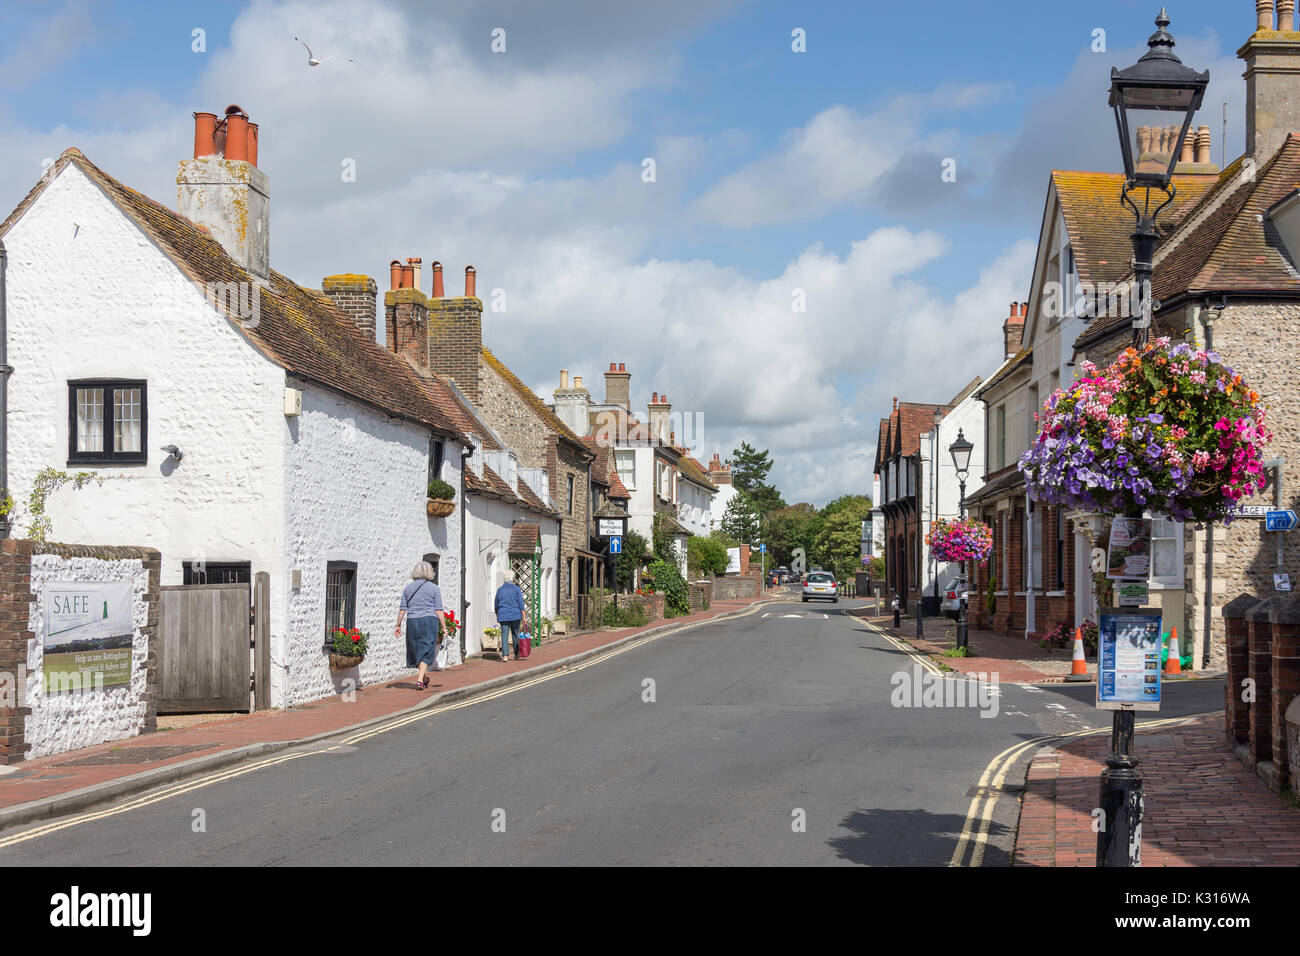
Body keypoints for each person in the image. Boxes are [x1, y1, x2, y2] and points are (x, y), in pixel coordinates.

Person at [395, 561, 446, 689]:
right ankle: (419, 680)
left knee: (417, 648)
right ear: (430, 572)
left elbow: (402, 609)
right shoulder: (434, 588)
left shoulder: (408, 588)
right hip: (429, 621)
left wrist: (398, 625)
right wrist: (444, 627)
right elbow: (439, 610)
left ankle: (424, 678)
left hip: (413, 621)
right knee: (427, 648)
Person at [494, 570, 526, 662]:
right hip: (515, 615)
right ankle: (516, 654)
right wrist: (524, 616)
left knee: (504, 635)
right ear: (513, 578)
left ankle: (505, 655)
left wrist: (497, 613)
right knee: (515, 634)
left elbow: (496, 603)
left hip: (503, 615)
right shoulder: (517, 589)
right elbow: (521, 603)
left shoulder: (500, 590)